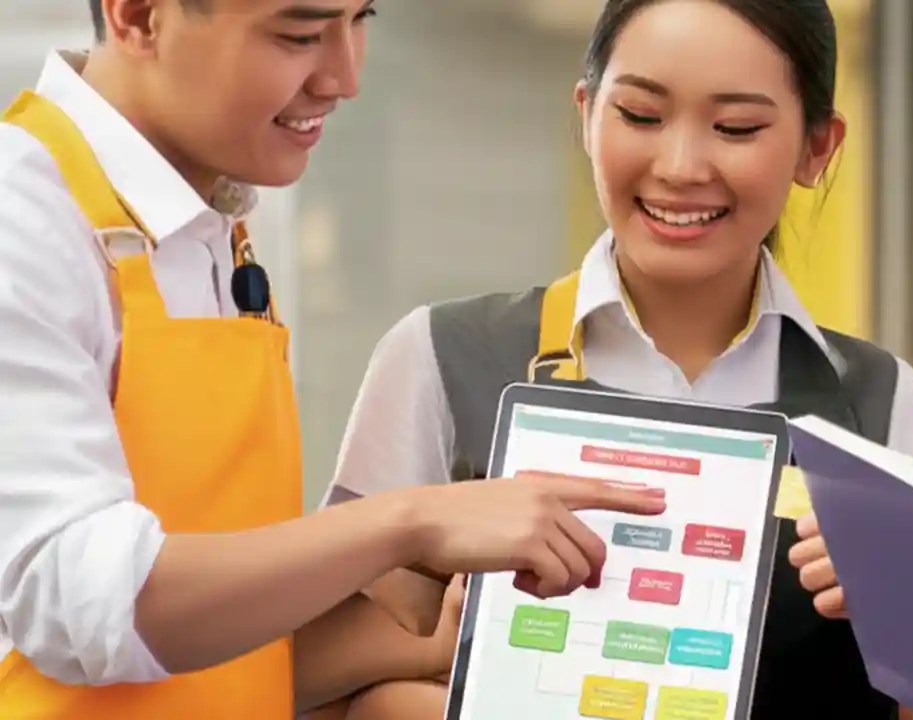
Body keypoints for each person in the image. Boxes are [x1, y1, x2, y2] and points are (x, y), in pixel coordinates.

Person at [0, 1, 667, 718]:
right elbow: (82, 601)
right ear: (137, 17)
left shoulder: (213, 222)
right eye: (300, 35)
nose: (345, 77)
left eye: (361, 19)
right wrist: (413, 521)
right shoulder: (25, 216)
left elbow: (231, 622)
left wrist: (431, 646)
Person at [316, 0, 913, 717]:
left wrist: (907, 617)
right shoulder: (440, 357)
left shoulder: (877, 402)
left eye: (736, 128)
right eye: (641, 116)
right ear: (586, 115)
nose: (680, 167)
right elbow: (319, 685)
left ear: (817, 149)